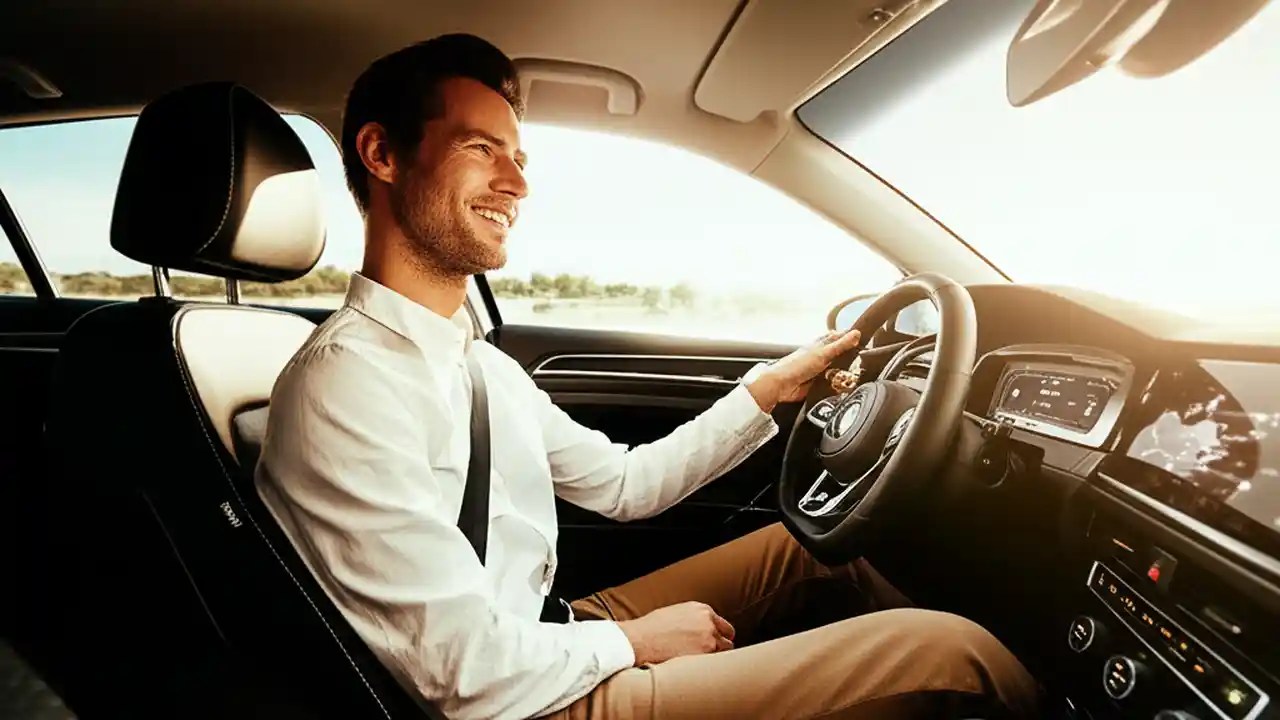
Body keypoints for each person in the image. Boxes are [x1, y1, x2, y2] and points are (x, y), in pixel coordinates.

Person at [256, 33, 1040, 720]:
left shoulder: (476, 363)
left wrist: (769, 389)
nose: (518, 185)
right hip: (512, 698)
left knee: (815, 555)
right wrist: (633, 642)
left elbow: (627, 486)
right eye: (479, 149)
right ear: (383, 155)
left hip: (540, 633)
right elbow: (464, 679)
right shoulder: (347, 386)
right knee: (956, 659)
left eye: (518, 157)